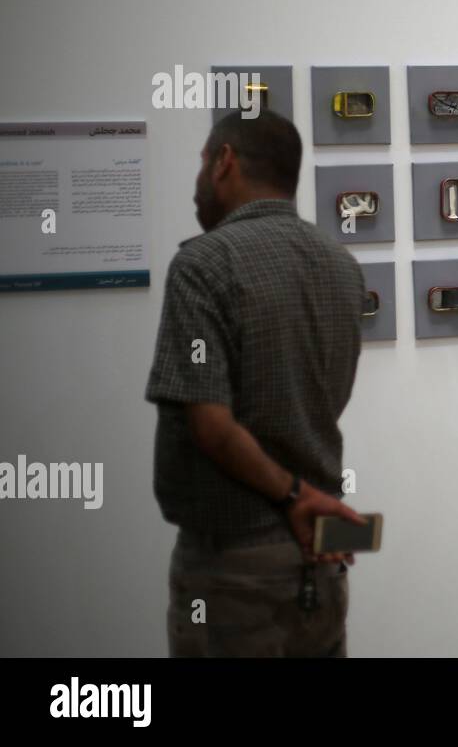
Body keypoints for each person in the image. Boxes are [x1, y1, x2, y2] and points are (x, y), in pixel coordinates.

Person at [145, 111, 368, 657]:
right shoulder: (341, 265)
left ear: (225, 162)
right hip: (322, 554)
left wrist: (292, 496)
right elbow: (327, 401)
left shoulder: (203, 265)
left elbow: (212, 425)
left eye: (202, 162)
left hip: (234, 574)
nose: (199, 180)